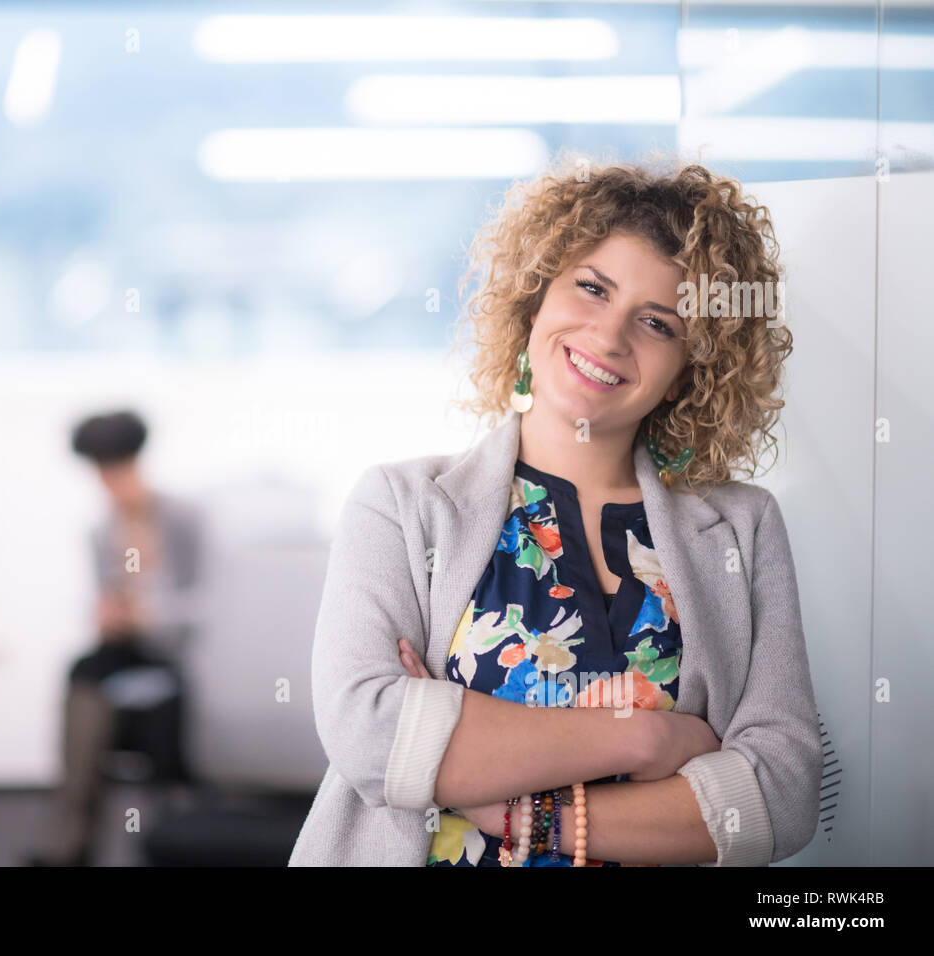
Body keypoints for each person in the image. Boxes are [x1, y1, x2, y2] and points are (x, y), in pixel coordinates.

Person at [289, 155, 823, 867]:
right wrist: (651, 739)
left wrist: (509, 810)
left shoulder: (743, 529)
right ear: (533, 299)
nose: (608, 337)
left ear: (689, 371)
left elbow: (779, 795)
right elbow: (370, 735)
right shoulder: (401, 505)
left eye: (658, 323)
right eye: (591, 289)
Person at [28, 409, 204, 866]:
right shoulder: (102, 531)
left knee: (114, 686)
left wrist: (150, 612)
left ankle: (118, 840)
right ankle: (72, 837)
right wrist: (110, 615)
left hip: (178, 654)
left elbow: (208, 606)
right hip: (129, 650)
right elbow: (107, 597)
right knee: (85, 673)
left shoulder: (183, 519)